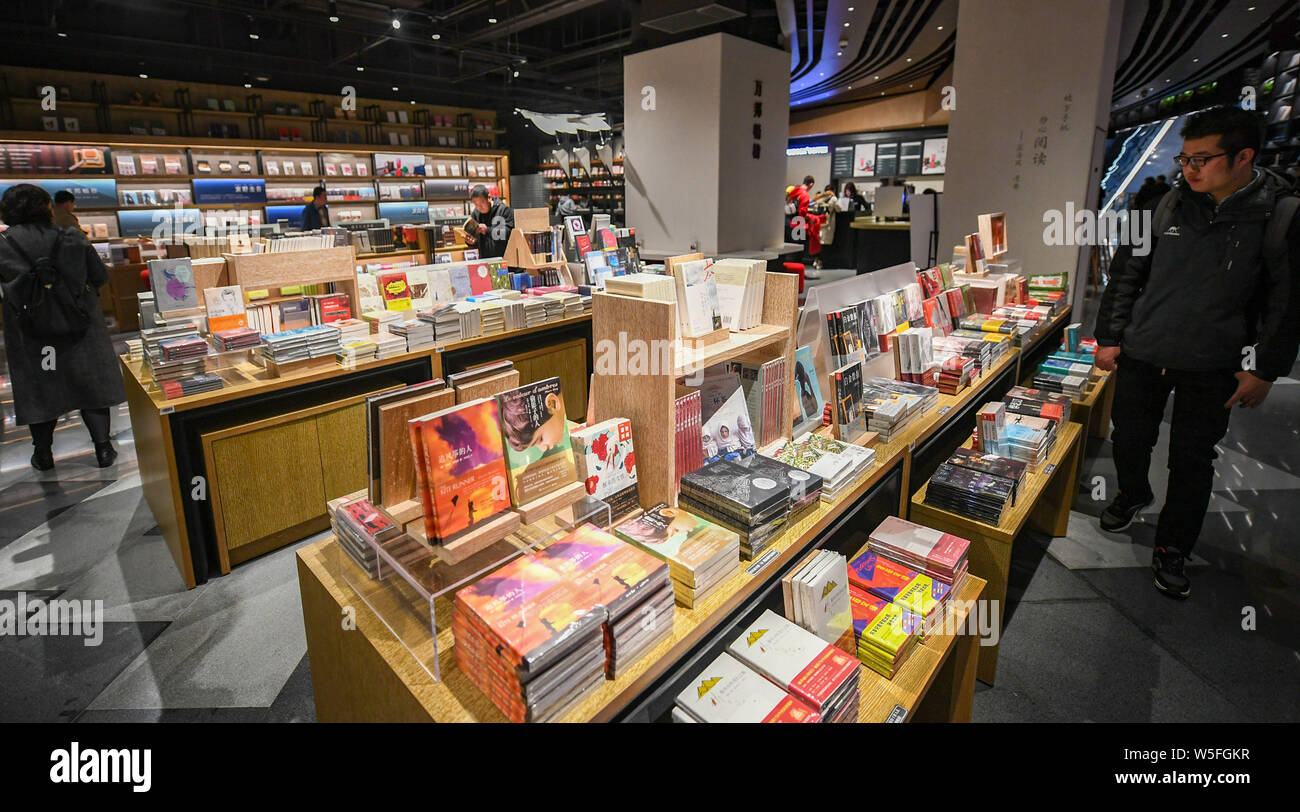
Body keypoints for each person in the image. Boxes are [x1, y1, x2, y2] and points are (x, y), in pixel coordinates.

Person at [1093, 105, 1300, 599]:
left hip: (1214, 363)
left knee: (1192, 460)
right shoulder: (1163, 204)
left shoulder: (1281, 215)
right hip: (1145, 351)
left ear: (1244, 156)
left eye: (1201, 160)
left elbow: (1286, 301)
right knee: (1130, 437)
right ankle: (1132, 492)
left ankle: (1173, 547)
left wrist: (1265, 369)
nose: (1188, 169)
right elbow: (1126, 274)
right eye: (1185, 159)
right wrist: (1110, 336)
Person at [0, 184, 126, 470]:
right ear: (46, 208)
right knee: (90, 386)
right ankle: (103, 449)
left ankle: (43, 454)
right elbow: (99, 276)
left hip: (30, 331)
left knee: (39, 389)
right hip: (80, 325)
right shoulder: (70, 236)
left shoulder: (4, 243)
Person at [787, 175, 825, 276]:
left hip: (790, 222)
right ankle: (797, 274)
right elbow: (802, 212)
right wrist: (809, 218)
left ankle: (790, 272)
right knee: (798, 250)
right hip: (799, 224)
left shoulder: (794, 191)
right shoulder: (805, 194)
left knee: (791, 250)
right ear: (811, 184)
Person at [465, 184, 514, 259]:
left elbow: (509, 233)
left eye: (482, 202)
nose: (479, 207)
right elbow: (478, 241)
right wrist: (472, 243)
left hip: (505, 260)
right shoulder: (475, 213)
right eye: (476, 204)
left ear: (489, 197)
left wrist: (487, 230)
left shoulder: (504, 210)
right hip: (485, 260)